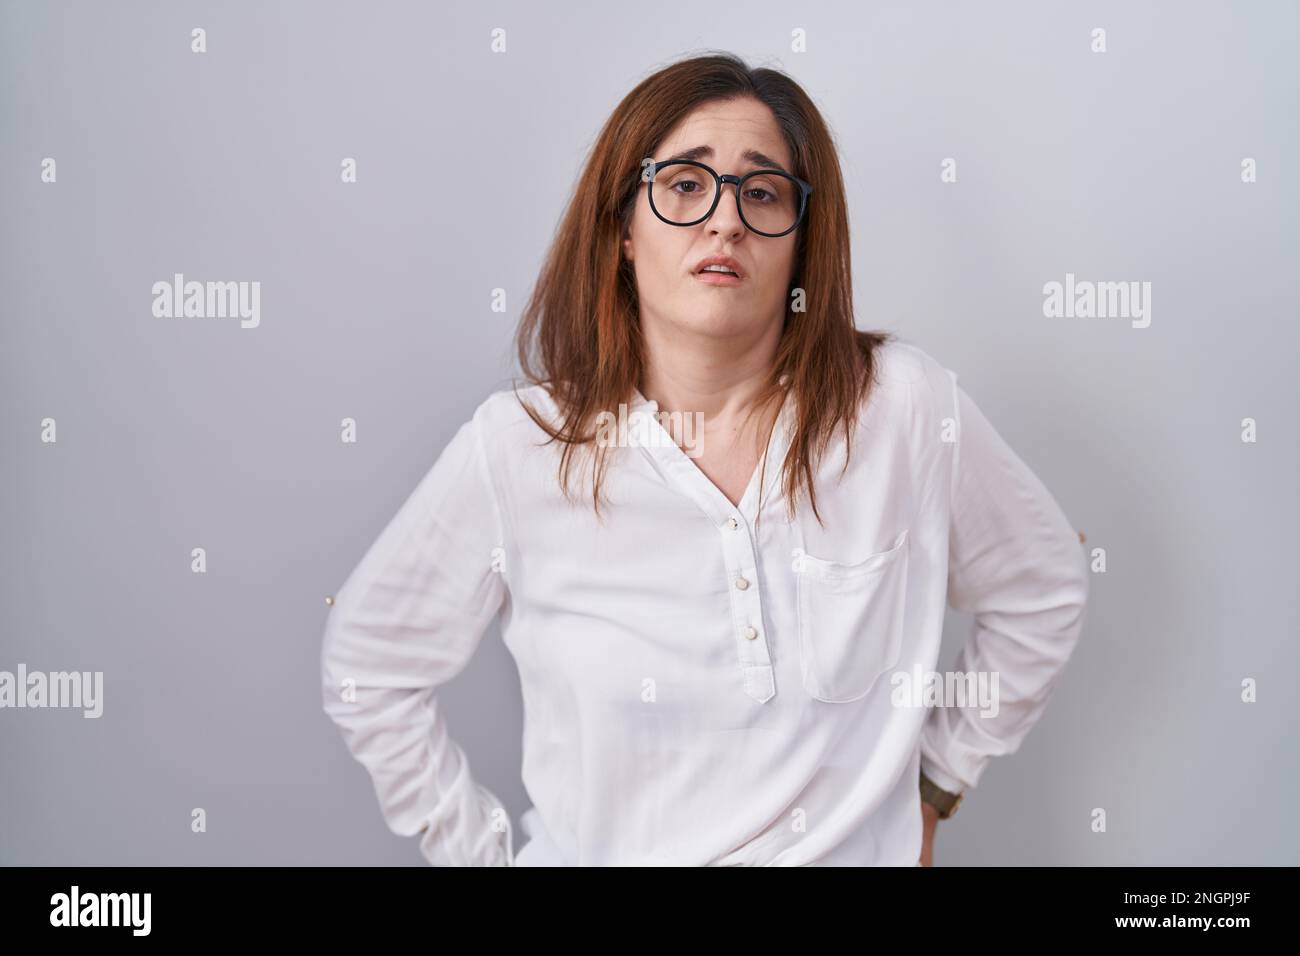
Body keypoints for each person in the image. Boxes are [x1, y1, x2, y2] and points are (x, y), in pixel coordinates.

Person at [319, 52, 1089, 866]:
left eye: (761, 194)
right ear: (621, 227)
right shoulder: (521, 446)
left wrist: (937, 785)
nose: (724, 221)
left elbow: (1043, 587)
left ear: (801, 241)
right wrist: (475, 852)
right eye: (685, 185)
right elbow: (370, 666)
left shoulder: (900, 408)